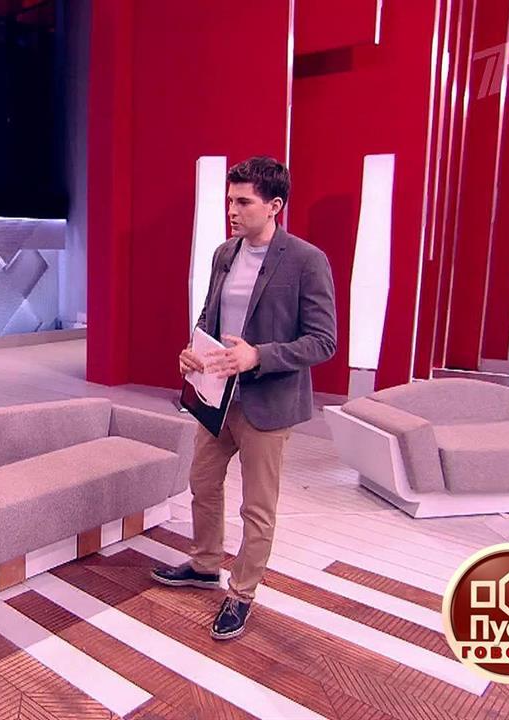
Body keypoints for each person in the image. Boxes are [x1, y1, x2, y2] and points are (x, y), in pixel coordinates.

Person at [153, 156, 337, 640]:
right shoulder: (224, 254)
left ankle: (242, 592)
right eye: (230, 201)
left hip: (267, 403)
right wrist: (193, 350)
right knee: (202, 482)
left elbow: (324, 341)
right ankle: (204, 564)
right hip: (217, 398)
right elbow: (209, 316)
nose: (232, 211)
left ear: (274, 206)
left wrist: (258, 356)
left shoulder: (306, 261)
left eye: (243, 202)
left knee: (257, 507)